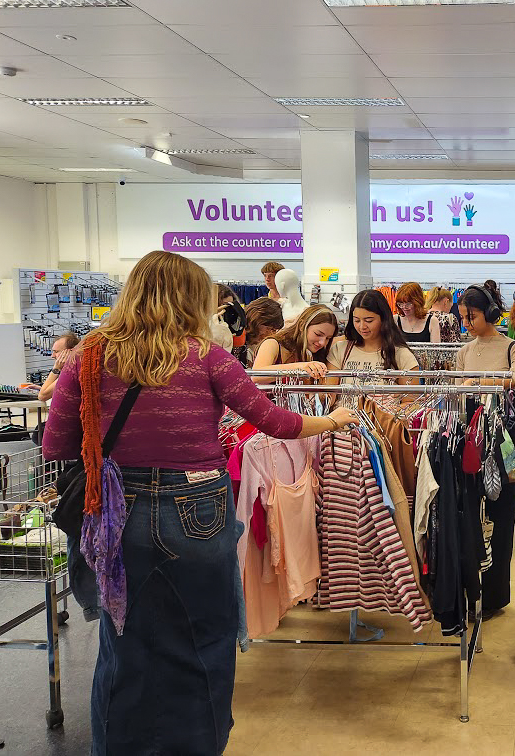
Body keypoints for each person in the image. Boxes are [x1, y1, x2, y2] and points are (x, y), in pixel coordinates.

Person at [41, 251, 357, 756]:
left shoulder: (90, 356)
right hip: (199, 510)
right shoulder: (207, 356)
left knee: (123, 647)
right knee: (202, 642)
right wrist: (334, 422)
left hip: (119, 515)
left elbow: (55, 447)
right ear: (190, 299)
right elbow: (275, 421)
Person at [455, 284, 515, 619]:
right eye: (463, 317)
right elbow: (457, 390)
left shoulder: (513, 346)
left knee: (503, 516)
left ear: (489, 313)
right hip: (468, 436)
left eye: (471, 315)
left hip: (504, 442)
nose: (467, 322)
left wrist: (479, 383)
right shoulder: (464, 351)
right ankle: (471, 589)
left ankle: (496, 594)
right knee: (470, 515)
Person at [327, 289, 419, 382]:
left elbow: (411, 396)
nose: (362, 326)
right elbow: (329, 394)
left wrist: (392, 396)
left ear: (383, 319)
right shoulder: (339, 349)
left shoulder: (402, 355)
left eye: (369, 321)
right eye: (357, 320)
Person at [253, 304, 338, 380]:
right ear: (302, 325)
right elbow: (256, 376)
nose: (322, 343)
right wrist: (301, 367)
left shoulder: (309, 355)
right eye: (318, 334)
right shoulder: (272, 344)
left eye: (328, 338)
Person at [236, 296, 284, 368]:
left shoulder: (256, 347)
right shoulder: (236, 341)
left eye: (275, 330)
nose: (272, 334)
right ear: (258, 321)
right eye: (271, 329)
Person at [37, 332, 80, 402]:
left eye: (56, 351)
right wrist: (40, 388)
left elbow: (42, 396)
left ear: (70, 352)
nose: (52, 356)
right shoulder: (74, 368)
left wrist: (56, 368)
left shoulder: (72, 372)